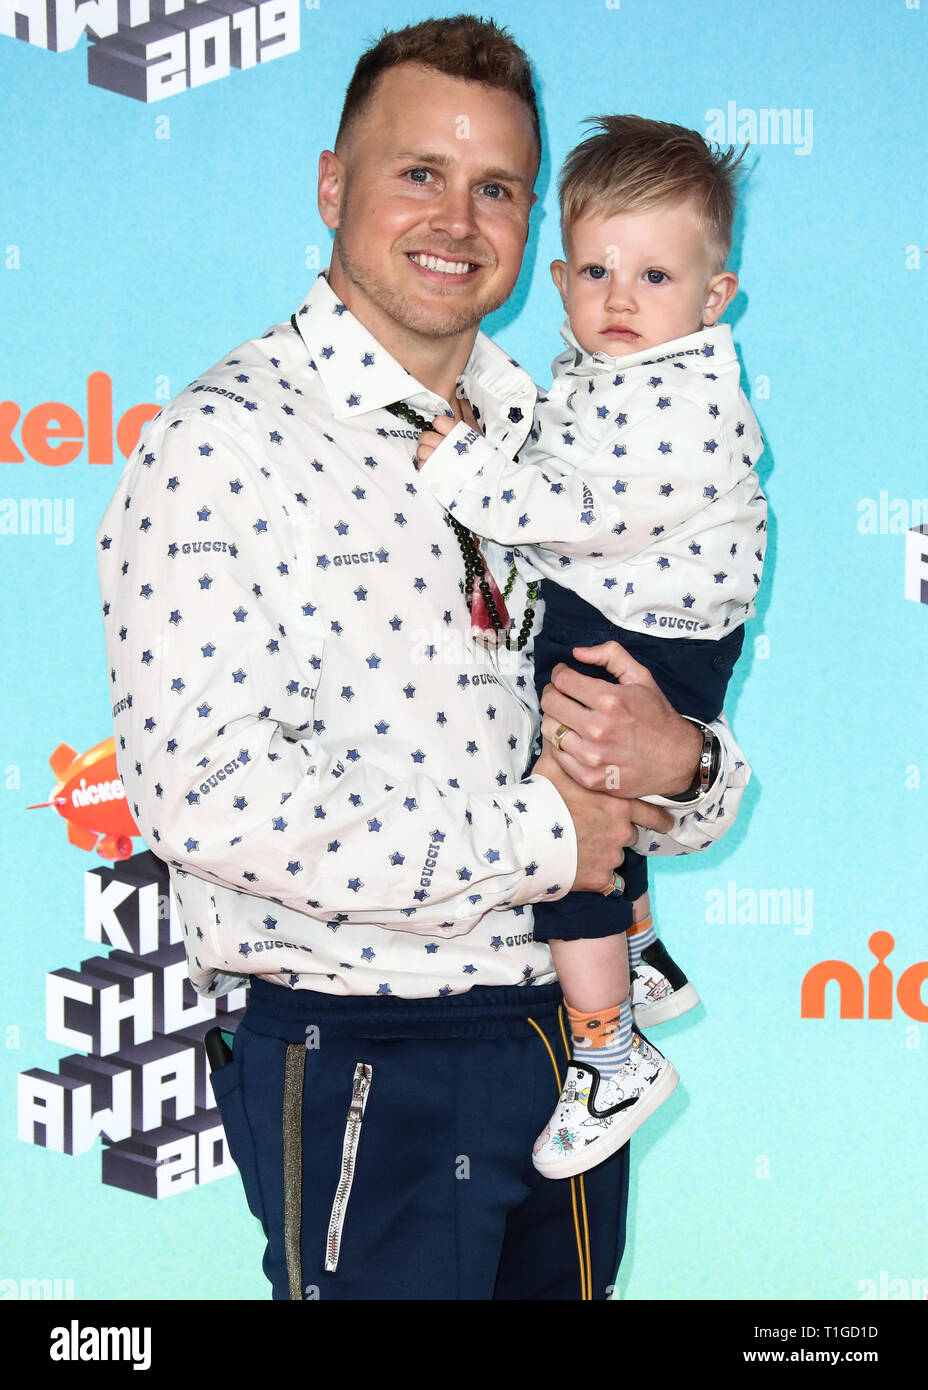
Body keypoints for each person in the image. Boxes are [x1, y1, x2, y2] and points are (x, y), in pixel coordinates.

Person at [96, 17, 752, 1300]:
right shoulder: (221, 447)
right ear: (333, 183)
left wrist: (685, 766)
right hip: (362, 1050)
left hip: (566, 1040)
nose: (459, 219)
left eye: (496, 187)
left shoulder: (564, 420)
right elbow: (209, 802)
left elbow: (641, 778)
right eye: (419, 173)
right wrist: (544, 843)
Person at [415, 115, 767, 1180]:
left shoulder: (686, 401)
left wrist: (462, 471)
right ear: (560, 276)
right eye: (599, 270)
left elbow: (585, 511)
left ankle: (610, 1056)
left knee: (569, 824)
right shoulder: (609, 369)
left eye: (654, 275)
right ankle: (643, 950)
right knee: (581, 805)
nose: (620, 299)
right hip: (626, 610)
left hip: (641, 626)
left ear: (714, 298)